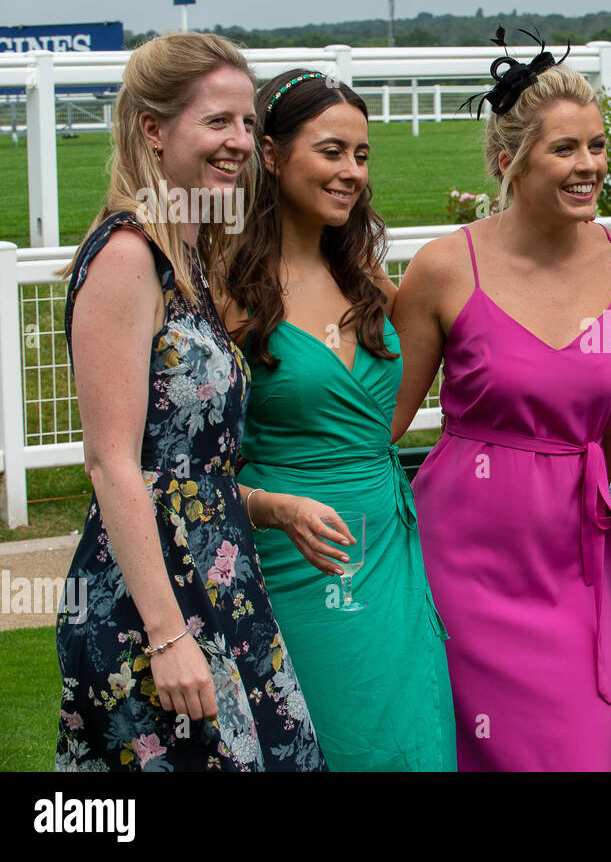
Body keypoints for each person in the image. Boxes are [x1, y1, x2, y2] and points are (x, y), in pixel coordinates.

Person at [54, 33, 326, 771]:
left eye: (247, 122)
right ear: (153, 128)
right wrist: (170, 637)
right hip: (155, 607)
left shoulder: (189, 258)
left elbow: (182, 464)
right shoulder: (127, 257)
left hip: (221, 584)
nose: (240, 141)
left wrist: (272, 506)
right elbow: (114, 463)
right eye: (217, 121)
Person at [390, 29, 611, 771]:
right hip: (461, 565)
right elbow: (386, 421)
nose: (591, 166)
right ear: (510, 161)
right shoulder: (445, 268)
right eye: (566, 149)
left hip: (577, 566)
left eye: (598, 146)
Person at [220, 71, 456, 771]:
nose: (351, 171)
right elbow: (183, 462)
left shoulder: (368, 278)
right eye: (331, 151)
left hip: (388, 549)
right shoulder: (228, 293)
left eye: (361, 155)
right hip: (289, 561)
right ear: (270, 154)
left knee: (412, 737)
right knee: (321, 741)